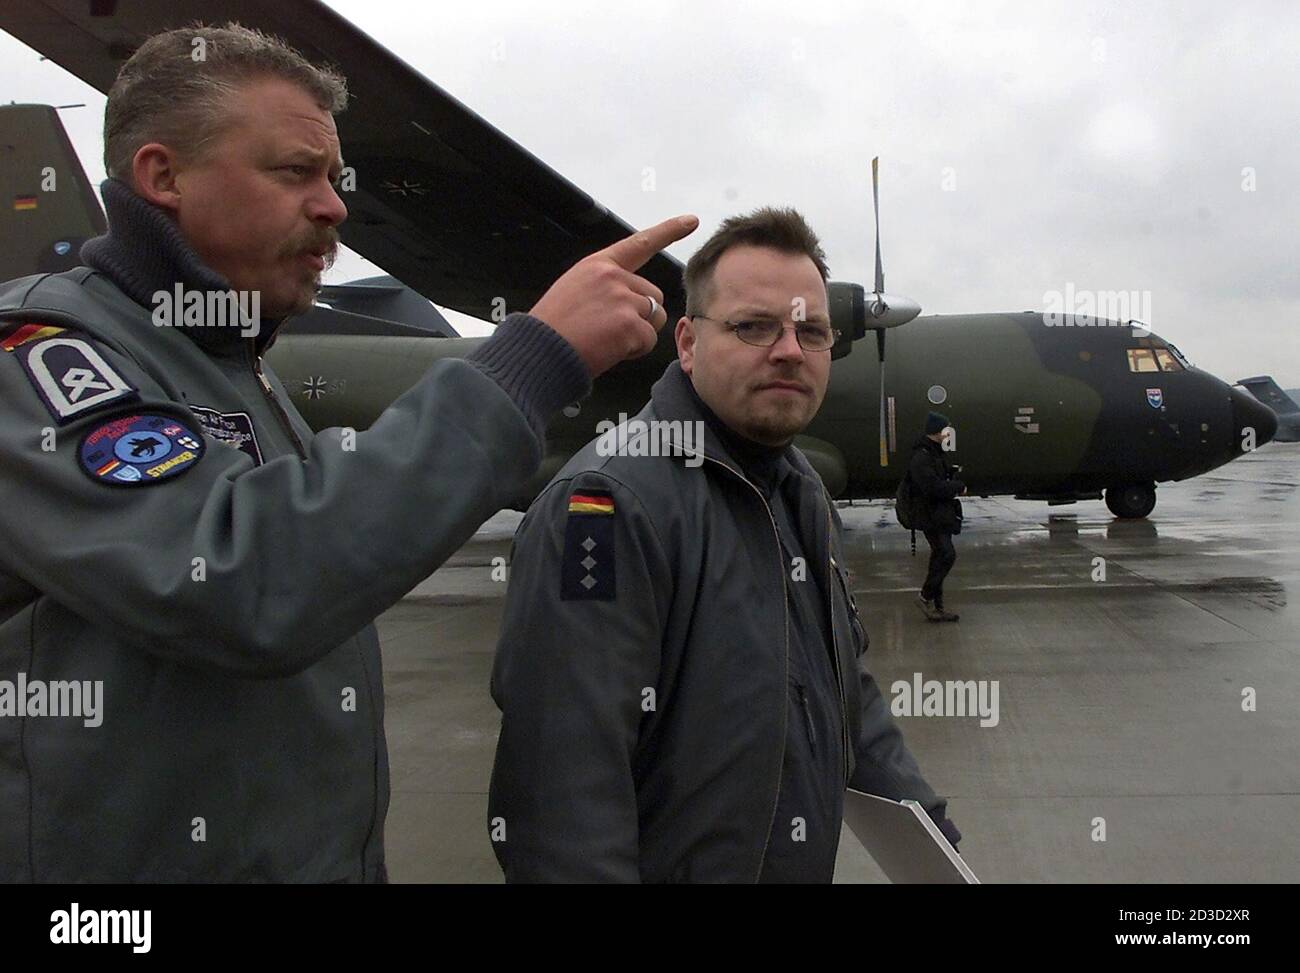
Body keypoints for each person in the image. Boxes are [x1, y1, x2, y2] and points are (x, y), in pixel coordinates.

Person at [0, 23, 696, 882]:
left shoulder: (237, 370)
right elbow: (246, 580)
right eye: (295, 172)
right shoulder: (39, 356)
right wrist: (533, 358)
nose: (334, 206)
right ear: (162, 176)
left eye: (333, 178)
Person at [487, 208, 960, 882]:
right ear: (686, 341)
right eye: (754, 326)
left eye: (812, 330)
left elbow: (847, 693)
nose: (790, 349)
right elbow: (561, 795)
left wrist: (934, 843)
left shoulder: (801, 493)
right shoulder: (604, 505)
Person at [909, 412, 966, 622]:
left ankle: (937, 607)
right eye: (945, 429)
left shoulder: (935, 453)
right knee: (946, 554)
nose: (948, 432)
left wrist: (950, 475)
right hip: (930, 515)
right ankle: (925, 597)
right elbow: (931, 487)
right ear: (937, 431)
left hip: (940, 514)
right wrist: (957, 486)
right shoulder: (922, 456)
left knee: (939, 557)